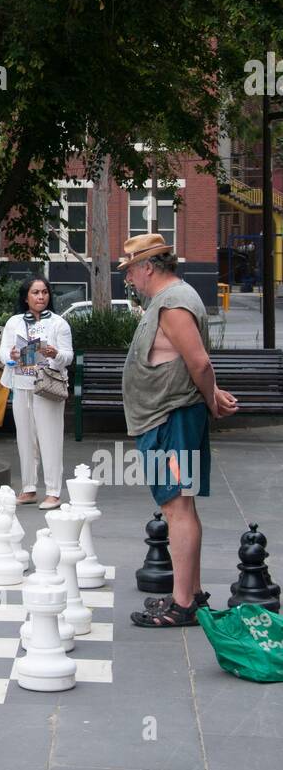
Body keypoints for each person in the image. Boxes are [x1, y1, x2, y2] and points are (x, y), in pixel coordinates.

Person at [120, 235, 238, 628]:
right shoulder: (171, 299)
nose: (130, 278)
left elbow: (199, 362)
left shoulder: (172, 303)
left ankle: (183, 604)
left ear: (148, 267)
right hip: (167, 416)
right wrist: (212, 392)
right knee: (181, 505)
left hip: (169, 418)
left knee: (177, 507)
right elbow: (191, 362)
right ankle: (193, 593)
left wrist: (210, 397)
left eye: (131, 270)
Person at [0, 276, 74, 509]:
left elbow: (68, 356)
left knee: (50, 439)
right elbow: (3, 353)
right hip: (22, 384)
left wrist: (54, 354)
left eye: (44, 292)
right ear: (26, 297)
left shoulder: (59, 323)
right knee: (25, 439)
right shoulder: (15, 322)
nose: (41, 297)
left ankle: (53, 491)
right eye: (35, 292)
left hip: (47, 386)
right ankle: (29, 487)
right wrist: (10, 356)